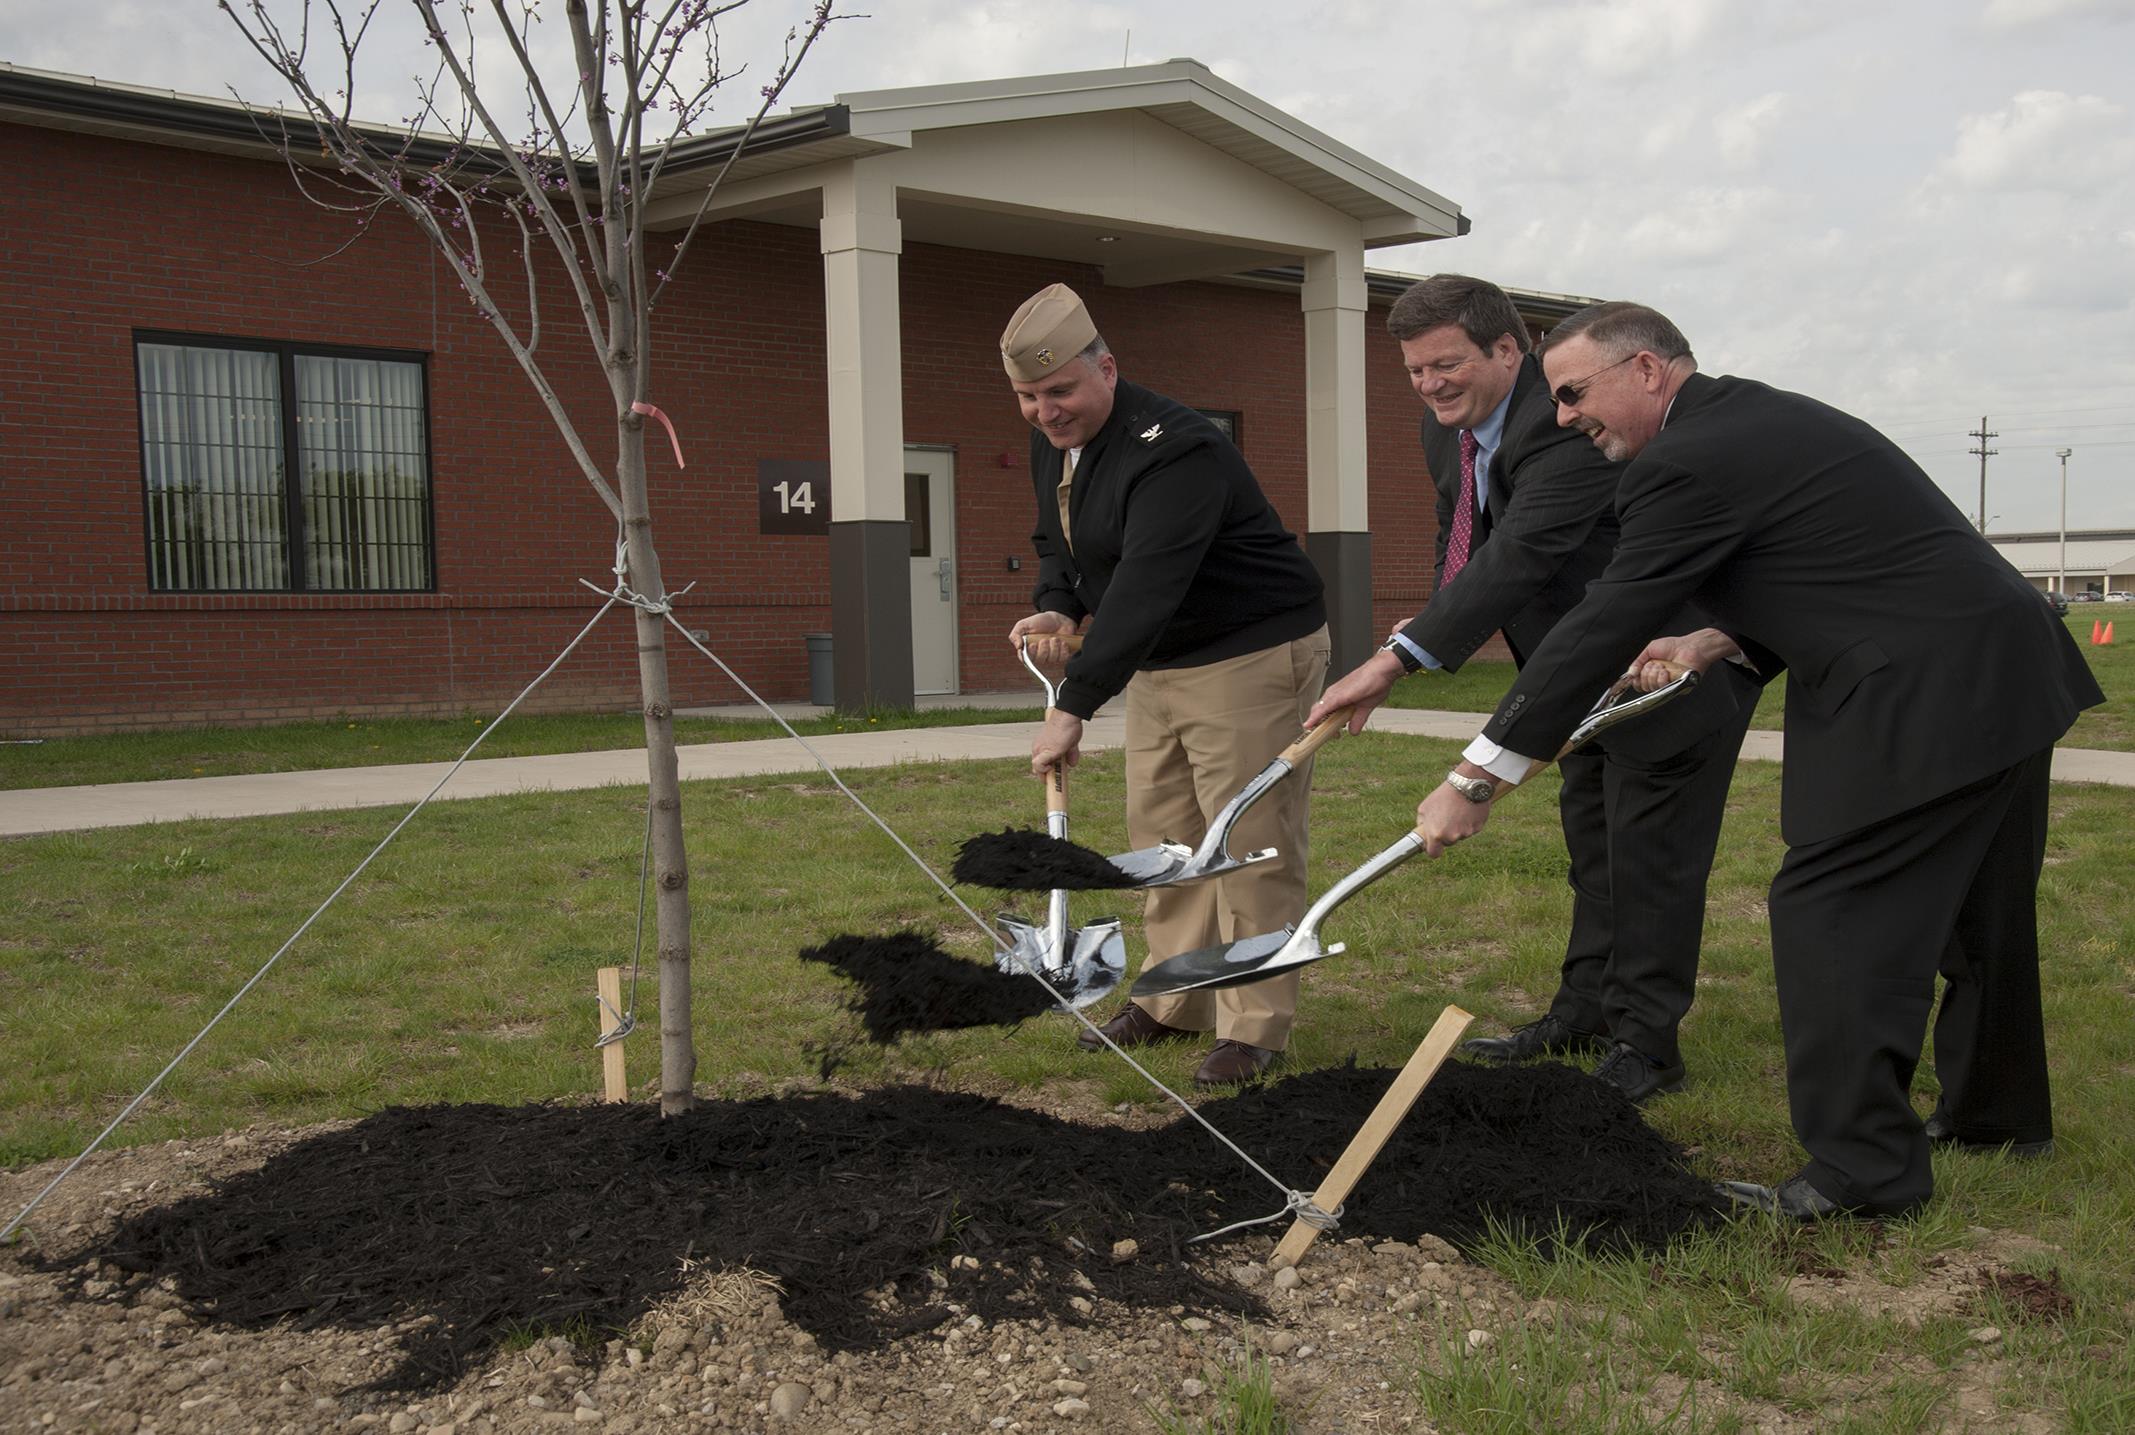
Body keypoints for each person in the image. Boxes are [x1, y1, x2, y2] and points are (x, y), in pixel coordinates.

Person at [1416, 300, 2103, 1219]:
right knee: (1980, 914)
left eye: (1575, 392)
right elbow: (1827, 554)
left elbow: (1607, 614)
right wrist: (1715, 639)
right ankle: (1996, 1116)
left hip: (1920, 692)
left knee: (1829, 913)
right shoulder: (1758, 417)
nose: (1566, 415)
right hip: (2007, 670)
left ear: (1648, 371)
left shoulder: (1683, 459)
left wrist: (1479, 772)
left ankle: (1861, 1174)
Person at [1305, 275, 1756, 1103]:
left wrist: (1393, 659)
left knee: (1648, 857)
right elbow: (1463, 537)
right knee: (1594, 847)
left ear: (1507, 349)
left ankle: (1646, 1044)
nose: (1428, 384)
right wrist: (1427, 628)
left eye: (1445, 363)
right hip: (1570, 674)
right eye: (1413, 370)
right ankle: (1582, 1012)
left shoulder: (1560, 430)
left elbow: (1524, 553)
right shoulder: (1447, 432)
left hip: (1664, 664)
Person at [1000, 282, 1331, 1087]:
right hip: (1160, 660)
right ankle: (1174, 997)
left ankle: (1252, 1024)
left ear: (1106, 369)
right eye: (1028, 397)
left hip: (1248, 653)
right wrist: (1054, 608)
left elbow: (1148, 583)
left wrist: (1072, 706)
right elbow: (1060, 544)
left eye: (1060, 390)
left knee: (1244, 839)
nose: (1046, 410)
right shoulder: (1060, 441)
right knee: (1164, 836)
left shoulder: (1179, 448)